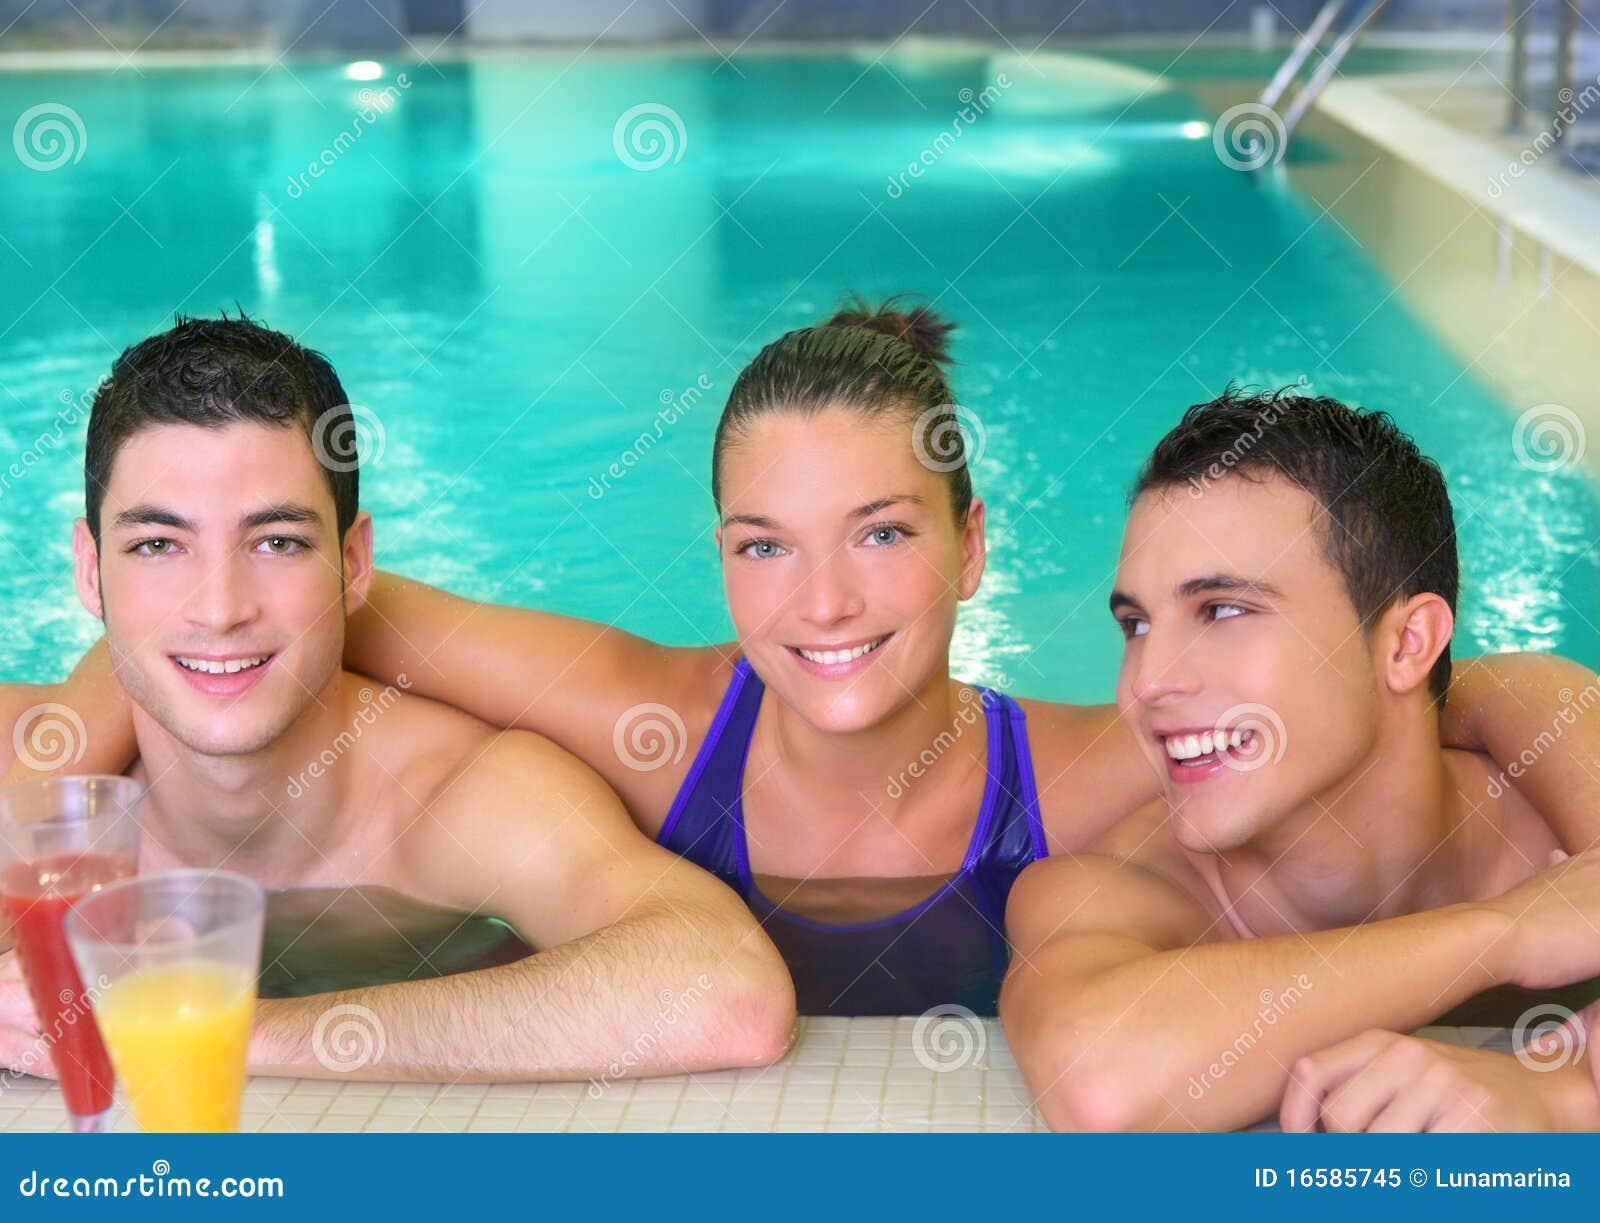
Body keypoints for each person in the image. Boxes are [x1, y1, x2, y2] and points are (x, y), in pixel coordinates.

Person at [27, 301, 1599, 1018]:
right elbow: (274, 617)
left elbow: (1470, 690)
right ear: (719, 560)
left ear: (977, 547)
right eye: (765, 544)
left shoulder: (1092, 762)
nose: (826, 601)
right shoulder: (654, 720)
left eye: (883, 533)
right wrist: (59, 748)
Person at [0, 315, 795, 1084]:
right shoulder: (31, 786)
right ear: (88, 569)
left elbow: (729, 990)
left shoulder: (453, 795)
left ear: (352, 564)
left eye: (277, 541)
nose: (219, 608)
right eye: (157, 545)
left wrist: (210, 1024)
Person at [999, 387, 1600, 1132]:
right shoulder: (1112, 890)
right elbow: (1098, 1081)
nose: (1148, 681)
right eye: (1136, 624)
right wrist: (1506, 934)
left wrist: (1567, 1092)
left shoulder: (1557, 796)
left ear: (1407, 643)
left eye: (1221, 609)